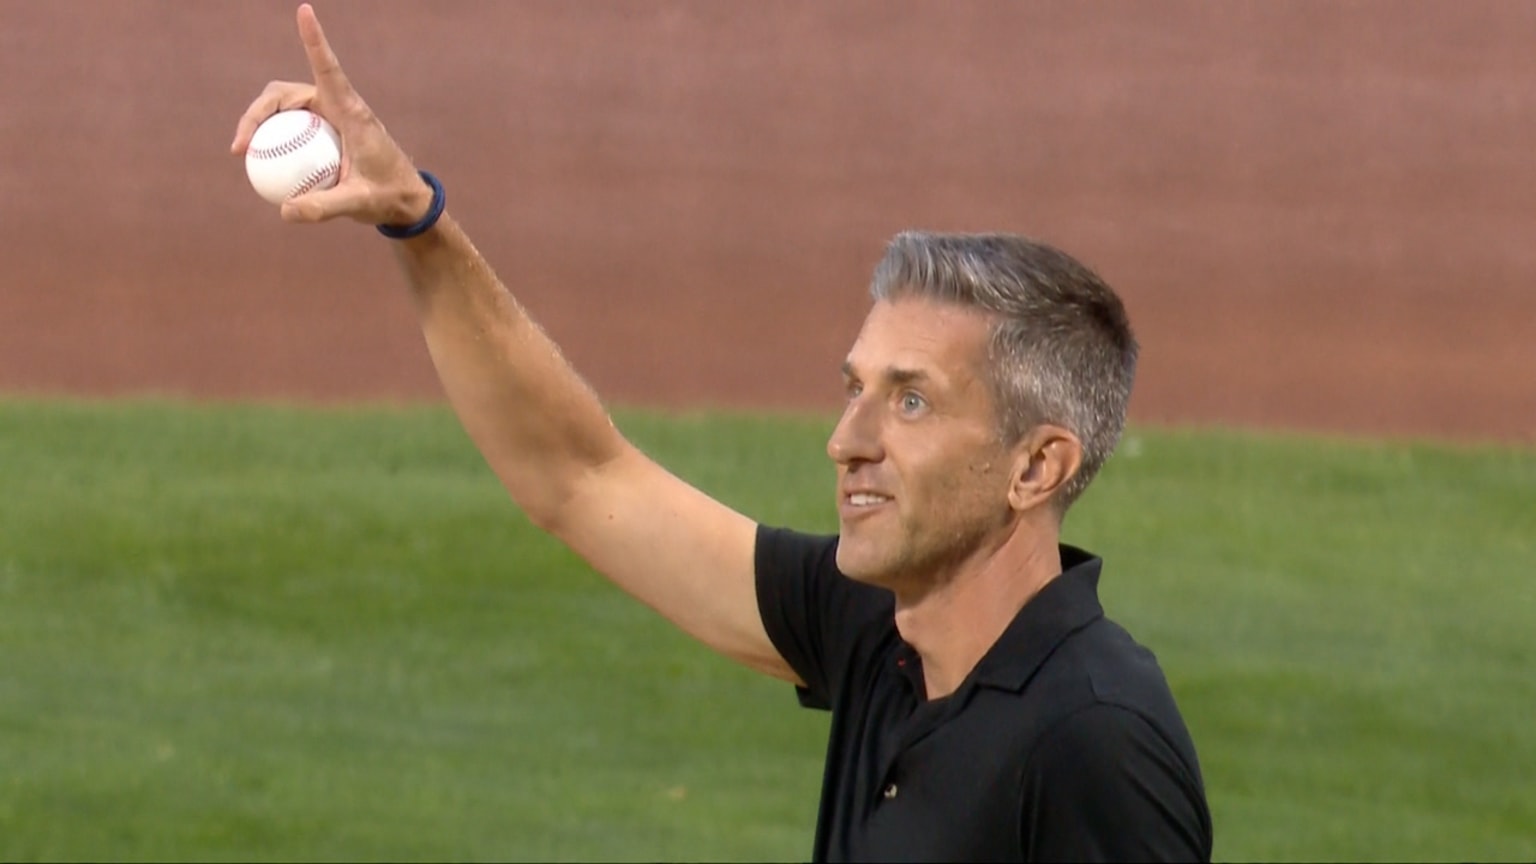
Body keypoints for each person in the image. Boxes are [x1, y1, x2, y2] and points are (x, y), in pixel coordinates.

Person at [233, 5, 1214, 862]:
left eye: (910, 401)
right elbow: (579, 480)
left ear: (1037, 466)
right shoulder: (884, 633)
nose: (847, 440)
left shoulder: (1094, 739)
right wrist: (419, 223)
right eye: (855, 389)